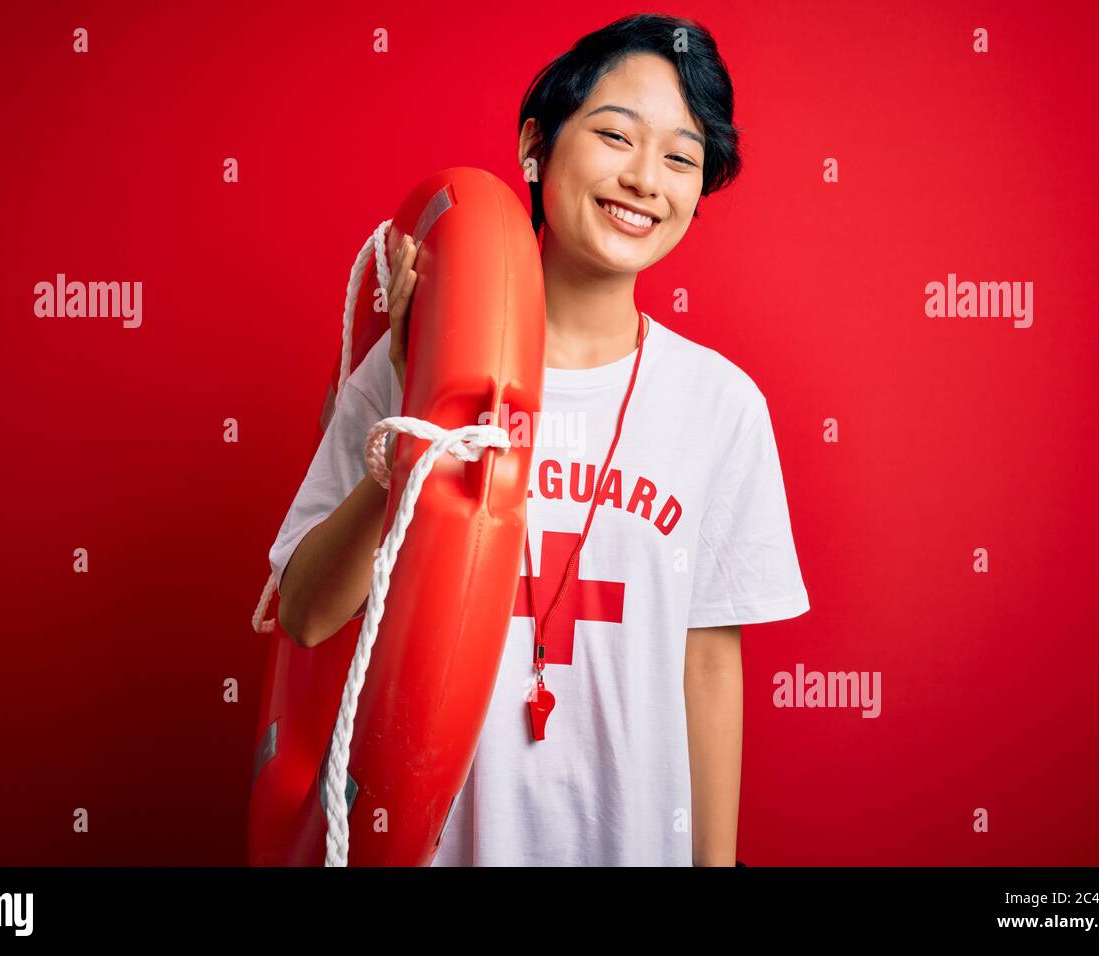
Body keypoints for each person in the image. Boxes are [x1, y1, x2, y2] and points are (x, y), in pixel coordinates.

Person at [267, 13, 809, 866]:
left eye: (680, 158)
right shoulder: (406, 371)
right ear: (534, 147)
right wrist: (425, 417)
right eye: (615, 136)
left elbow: (707, 665)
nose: (643, 180)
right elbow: (304, 615)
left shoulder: (722, 405)